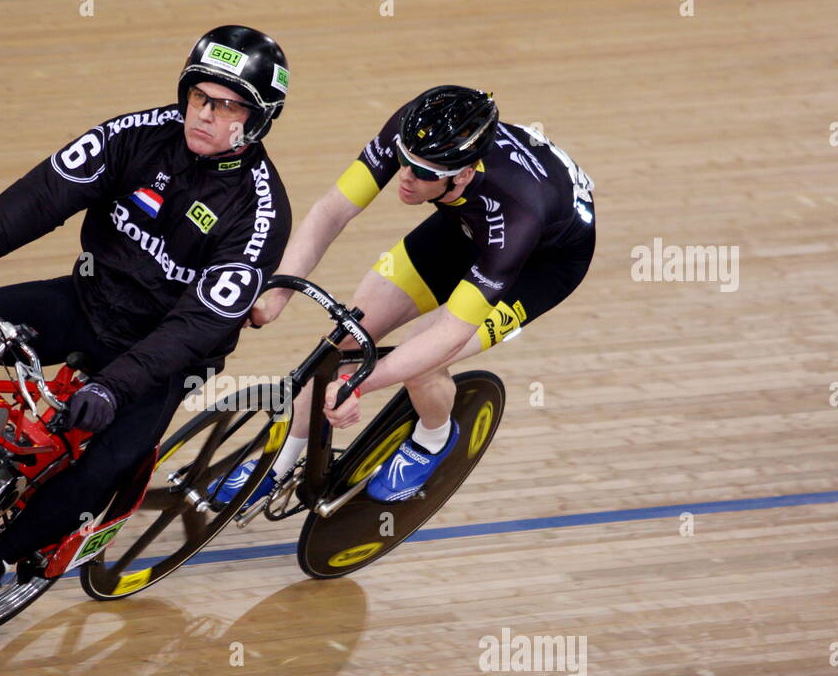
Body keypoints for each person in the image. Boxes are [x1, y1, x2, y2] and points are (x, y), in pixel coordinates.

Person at [0, 25, 292, 630]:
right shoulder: (135, 134)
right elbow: (44, 194)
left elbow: (198, 322)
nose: (206, 115)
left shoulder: (260, 212)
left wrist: (116, 385)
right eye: (199, 97)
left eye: (228, 106)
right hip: (87, 301)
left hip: (160, 355)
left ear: (258, 120)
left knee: (102, 466)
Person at [212, 85, 595, 504]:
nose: (406, 178)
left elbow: (448, 332)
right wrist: (278, 293)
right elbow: (332, 209)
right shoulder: (418, 128)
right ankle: (279, 464)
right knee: (346, 336)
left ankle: (433, 438)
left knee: (422, 358)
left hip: (538, 263)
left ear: (463, 173)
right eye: (404, 162)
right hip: (465, 224)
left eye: (423, 172)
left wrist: (359, 385)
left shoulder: (519, 213)